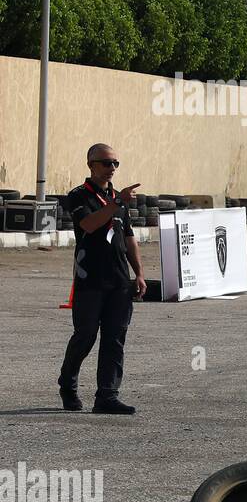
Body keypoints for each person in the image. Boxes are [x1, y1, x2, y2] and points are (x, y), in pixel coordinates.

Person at [57, 144, 145, 414]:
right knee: (85, 336)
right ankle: (68, 384)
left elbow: (128, 237)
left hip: (119, 279)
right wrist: (117, 203)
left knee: (115, 337)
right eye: (106, 163)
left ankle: (107, 395)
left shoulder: (118, 199)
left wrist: (139, 273)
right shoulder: (78, 195)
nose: (112, 169)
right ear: (91, 165)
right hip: (90, 279)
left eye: (116, 163)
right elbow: (89, 225)